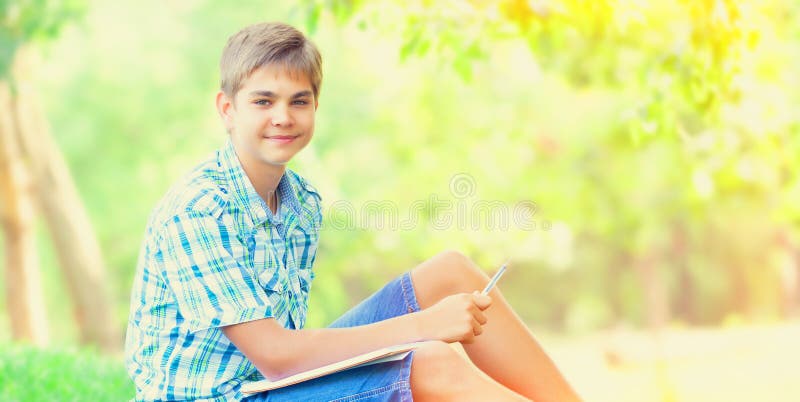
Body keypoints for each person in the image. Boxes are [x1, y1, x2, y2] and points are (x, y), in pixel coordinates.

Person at [124, 21, 582, 402]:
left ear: (315, 108)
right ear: (227, 109)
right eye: (263, 101)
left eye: (298, 101)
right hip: (224, 396)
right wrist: (424, 326)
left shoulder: (300, 201)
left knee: (452, 272)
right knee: (431, 362)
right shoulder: (200, 210)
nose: (283, 116)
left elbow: (287, 361)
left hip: (268, 386)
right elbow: (277, 355)